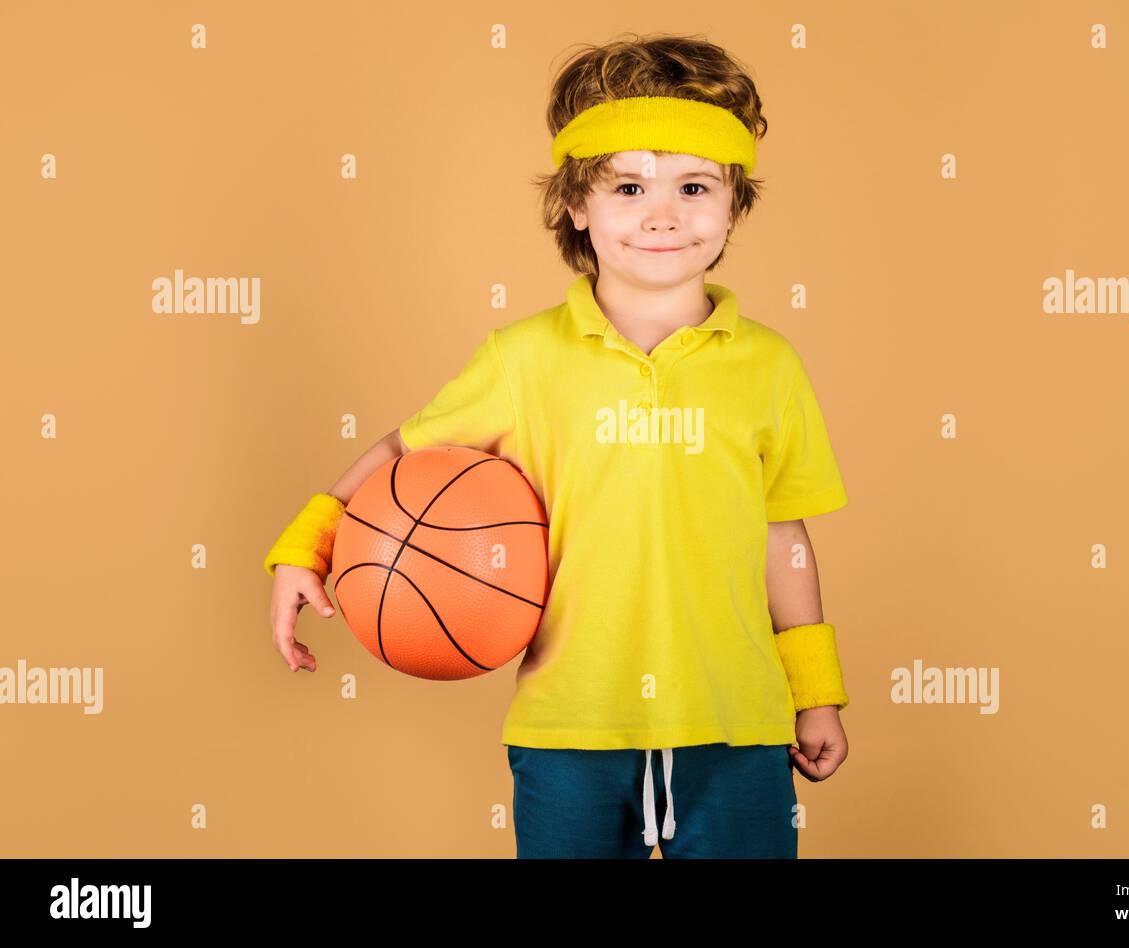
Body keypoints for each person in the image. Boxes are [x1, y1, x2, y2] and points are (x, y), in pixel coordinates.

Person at [264, 33, 851, 858]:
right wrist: (307, 544)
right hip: (569, 725)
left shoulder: (770, 366)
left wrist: (814, 695)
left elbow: (783, 537)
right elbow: (402, 451)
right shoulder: (523, 358)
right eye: (628, 186)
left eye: (693, 186)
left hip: (737, 725)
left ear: (733, 203)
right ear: (578, 204)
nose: (662, 214)